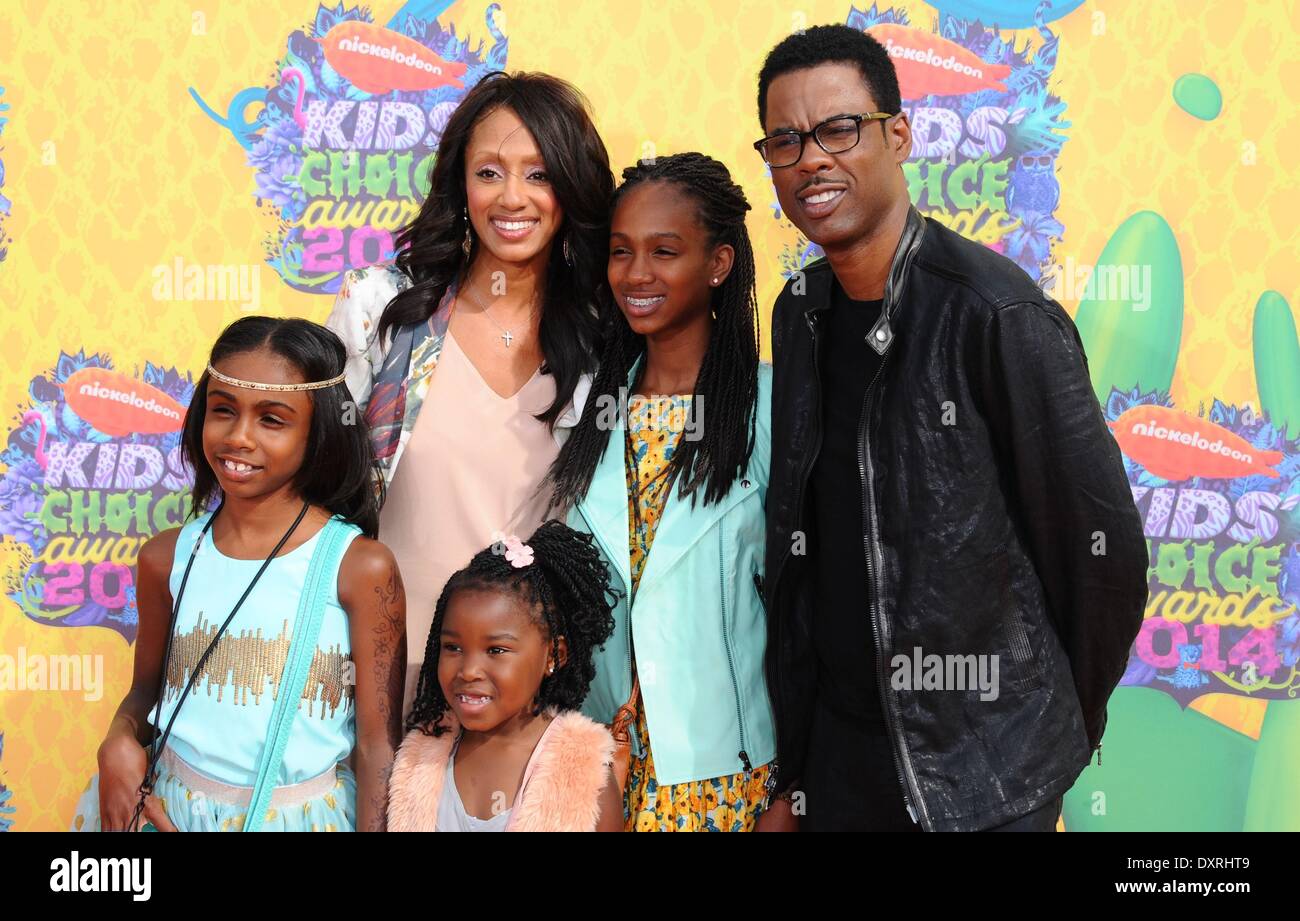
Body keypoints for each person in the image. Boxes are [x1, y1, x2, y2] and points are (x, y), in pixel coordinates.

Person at [754, 25, 1148, 831]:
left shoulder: (994, 313)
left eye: (838, 129)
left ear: (899, 135)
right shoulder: (798, 314)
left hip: (983, 780)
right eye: (785, 141)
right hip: (838, 764)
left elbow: (1102, 556)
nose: (810, 161)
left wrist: (1037, 739)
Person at [325, 71, 614, 714]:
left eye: (539, 174)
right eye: (489, 172)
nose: (513, 197)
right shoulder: (383, 310)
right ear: (460, 183)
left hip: (532, 703)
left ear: (571, 188)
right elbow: (314, 491)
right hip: (378, 685)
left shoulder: (605, 339)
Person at [73, 318, 405, 832]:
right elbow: (145, 693)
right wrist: (118, 739)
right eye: (223, 411)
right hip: (170, 814)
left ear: (317, 430)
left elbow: (377, 743)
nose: (239, 438)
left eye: (272, 420)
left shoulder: (359, 567)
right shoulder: (165, 558)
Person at [548, 152, 777, 832]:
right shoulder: (588, 407)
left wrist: (796, 787)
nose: (636, 274)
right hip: (602, 767)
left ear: (719, 264)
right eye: (621, 252)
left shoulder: (773, 405)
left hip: (728, 776)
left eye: (664, 251)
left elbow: (811, 611)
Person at [387, 520, 623, 832]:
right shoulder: (419, 761)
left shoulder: (585, 782)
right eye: (453, 647)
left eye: (496, 650)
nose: (469, 671)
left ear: (554, 655)